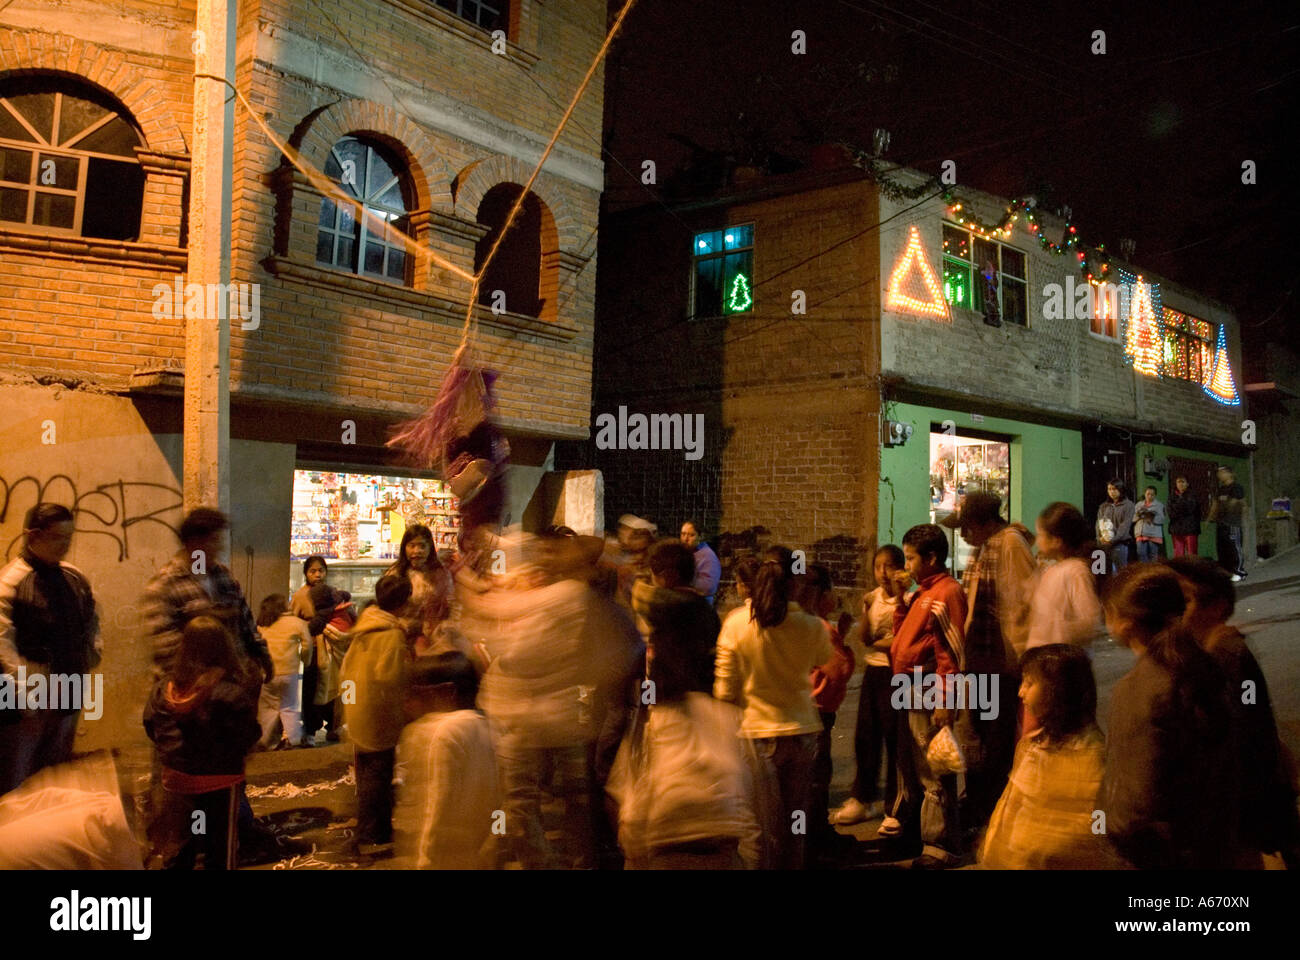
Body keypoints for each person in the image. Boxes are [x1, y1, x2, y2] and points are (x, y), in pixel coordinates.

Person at [1098, 564, 1240, 869]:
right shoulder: (1200, 664)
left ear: (1124, 622)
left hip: (1162, 852)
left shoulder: (1140, 688)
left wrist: (1115, 830)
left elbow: (1136, 795)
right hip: (1210, 841)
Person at [1167, 556, 1300, 868]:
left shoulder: (1228, 657)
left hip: (1244, 814)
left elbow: (1248, 734)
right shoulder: (1212, 653)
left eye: (1185, 601)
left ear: (1218, 607)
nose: (1173, 613)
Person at [606, 618, 761, 870]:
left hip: (667, 853)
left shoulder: (653, 724)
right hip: (722, 851)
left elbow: (633, 807)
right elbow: (753, 800)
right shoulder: (729, 719)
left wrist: (635, 858)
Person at [713, 546, 832, 870]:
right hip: (804, 733)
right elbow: (825, 659)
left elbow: (723, 690)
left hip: (757, 736)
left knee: (760, 829)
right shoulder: (809, 624)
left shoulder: (736, 624)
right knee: (796, 818)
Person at [980, 644, 1125, 869]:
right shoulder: (1031, 746)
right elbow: (1010, 806)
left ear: (1058, 690)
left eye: (1029, 683)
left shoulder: (1091, 756)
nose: (1021, 692)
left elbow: (1094, 827)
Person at [940, 492, 1031, 835]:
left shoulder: (1009, 545)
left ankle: (991, 811)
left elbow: (1022, 604)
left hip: (999, 663)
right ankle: (978, 805)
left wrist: (1021, 659)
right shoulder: (985, 547)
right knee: (974, 737)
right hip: (977, 661)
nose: (962, 535)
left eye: (966, 527)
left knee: (995, 742)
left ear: (984, 522)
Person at [142, 615, 262, 869]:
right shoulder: (231, 694)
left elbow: (151, 726)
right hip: (220, 783)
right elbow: (249, 735)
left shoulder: (164, 689)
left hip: (176, 781)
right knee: (220, 851)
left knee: (180, 846)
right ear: (224, 648)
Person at [0, 503, 101, 795]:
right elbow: (3, 643)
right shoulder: (11, 582)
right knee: (17, 774)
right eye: (58, 537)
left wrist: (91, 656)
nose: (65, 545)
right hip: (26, 692)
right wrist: (22, 695)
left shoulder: (74, 578)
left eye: (69, 538)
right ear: (33, 535)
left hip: (69, 685)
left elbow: (92, 619)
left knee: (56, 771)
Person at [882, 524, 967, 869]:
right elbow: (902, 637)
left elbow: (952, 653)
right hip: (908, 689)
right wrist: (901, 600)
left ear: (932, 558)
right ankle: (920, 834)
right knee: (912, 766)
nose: (908, 565)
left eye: (912, 558)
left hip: (928, 691)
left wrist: (946, 701)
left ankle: (940, 845)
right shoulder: (921, 593)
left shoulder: (947, 593)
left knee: (933, 769)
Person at [394, 651, 499, 869]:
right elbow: (501, 794)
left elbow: (437, 804)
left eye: (418, 693)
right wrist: (497, 839)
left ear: (448, 691)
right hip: (480, 847)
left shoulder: (442, 733)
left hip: (447, 853)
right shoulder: (485, 724)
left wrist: (426, 857)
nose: (408, 701)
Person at [340, 573, 412, 852]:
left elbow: (346, 669)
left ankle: (380, 830)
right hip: (379, 715)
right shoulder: (391, 634)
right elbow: (390, 678)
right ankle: (364, 835)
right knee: (378, 778)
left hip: (359, 710)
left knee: (368, 772)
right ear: (403, 603)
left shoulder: (366, 624)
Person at [831, 545, 902, 828]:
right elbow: (865, 637)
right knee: (866, 736)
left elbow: (900, 640)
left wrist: (876, 642)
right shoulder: (872, 598)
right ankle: (863, 798)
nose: (883, 573)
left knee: (895, 739)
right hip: (873, 670)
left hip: (896, 674)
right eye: (878, 567)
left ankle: (895, 804)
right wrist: (866, 613)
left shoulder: (907, 599)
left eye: (889, 566)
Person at [796, 563, 854, 862]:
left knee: (808, 779)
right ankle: (816, 842)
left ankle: (811, 838)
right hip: (819, 712)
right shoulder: (821, 627)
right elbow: (839, 670)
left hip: (804, 710)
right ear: (822, 594)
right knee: (818, 778)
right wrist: (843, 642)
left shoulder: (801, 622)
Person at [631, 540, 720, 696]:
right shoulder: (706, 610)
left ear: (666, 576)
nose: (652, 582)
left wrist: (648, 703)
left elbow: (651, 667)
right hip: (702, 701)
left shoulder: (668, 609)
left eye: (653, 575)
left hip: (671, 707)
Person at [1026, 503, 1103, 651]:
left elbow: (1090, 621)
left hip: (1063, 661)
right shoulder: (1051, 570)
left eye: (1040, 534)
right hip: (1043, 658)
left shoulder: (1076, 571)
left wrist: (1055, 631)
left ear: (1056, 541)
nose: (1037, 541)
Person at [255, 594, 312, 750]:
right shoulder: (297, 623)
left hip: (267, 673)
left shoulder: (263, 624)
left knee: (267, 709)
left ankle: (265, 741)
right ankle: (293, 740)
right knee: (289, 706)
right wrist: (304, 661)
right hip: (289, 672)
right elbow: (307, 646)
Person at [386, 524, 454, 643]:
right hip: (400, 636)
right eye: (412, 546)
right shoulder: (395, 574)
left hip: (433, 637)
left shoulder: (440, 574)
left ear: (430, 548)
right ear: (404, 548)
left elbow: (451, 605)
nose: (417, 551)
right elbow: (387, 608)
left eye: (422, 546)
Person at [307, 581, 357, 742]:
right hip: (349, 664)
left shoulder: (323, 622)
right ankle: (345, 727)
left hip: (332, 667)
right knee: (348, 697)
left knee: (329, 697)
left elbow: (311, 629)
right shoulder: (346, 613)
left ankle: (335, 728)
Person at [292, 556, 328, 735]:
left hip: (330, 649)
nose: (317, 575)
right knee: (311, 688)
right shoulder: (300, 596)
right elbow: (294, 621)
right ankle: (310, 729)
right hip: (312, 649)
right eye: (313, 571)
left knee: (331, 688)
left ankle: (333, 725)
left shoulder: (331, 592)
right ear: (306, 573)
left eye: (321, 570)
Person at [1210, 466, 1248, 581]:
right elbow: (1215, 504)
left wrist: (1230, 508)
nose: (1219, 475)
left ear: (1230, 474)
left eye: (1222, 472)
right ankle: (1227, 573)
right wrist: (1210, 518)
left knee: (1235, 549)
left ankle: (1239, 572)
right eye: (1218, 473)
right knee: (1222, 549)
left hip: (1232, 523)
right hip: (1221, 524)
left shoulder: (1237, 488)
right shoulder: (1220, 490)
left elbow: (1240, 503)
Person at [1096, 480, 1135, 574]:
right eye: (1109, 489)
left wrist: (1112, 540)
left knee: (1120, 574)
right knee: (1103, 572)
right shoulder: (1104, 506)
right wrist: (1099, 538)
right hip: (1103, 545)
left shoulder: (1128, 505)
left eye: (1114, 489)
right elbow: (1098, 523)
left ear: (1121, 489)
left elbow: (1124, 527)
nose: (1111, 492)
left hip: (1119, 544)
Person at [680, 521, 721, 606]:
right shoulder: (685, 552)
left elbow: (708, 587)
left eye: (691, 535)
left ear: (700, 536)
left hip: (700, 607)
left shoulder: (708, 556)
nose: (685, 539)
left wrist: (684, 581)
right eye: (683, 534)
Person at [1167, 476, 1203, 558]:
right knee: (1178, 554)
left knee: (1192, 553)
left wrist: (1178, 506)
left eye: (1182, 482)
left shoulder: (1193, 495)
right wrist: (1181, 507)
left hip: (1190, 528)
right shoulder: (1172, 496)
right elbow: (1170, 512)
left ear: (1187, 484)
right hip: (1176, 529)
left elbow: (1190, 509)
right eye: (1178, 482)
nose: (1180, 484)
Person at [1133, 486, 1166, 563]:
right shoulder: (1139, 505)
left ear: (1155, 495)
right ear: (1145, 494)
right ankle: (1144, 573)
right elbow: (1132, 518)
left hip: (1153, 534)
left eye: (1152, 494)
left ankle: (1153, 573)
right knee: (1141, 554)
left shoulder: (1159, 505)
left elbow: (1162, 519)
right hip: (1141, 534)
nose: (1150, 496)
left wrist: (1151, 517)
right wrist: (1139, 514)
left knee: (1153, 556)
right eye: (1148, 494)